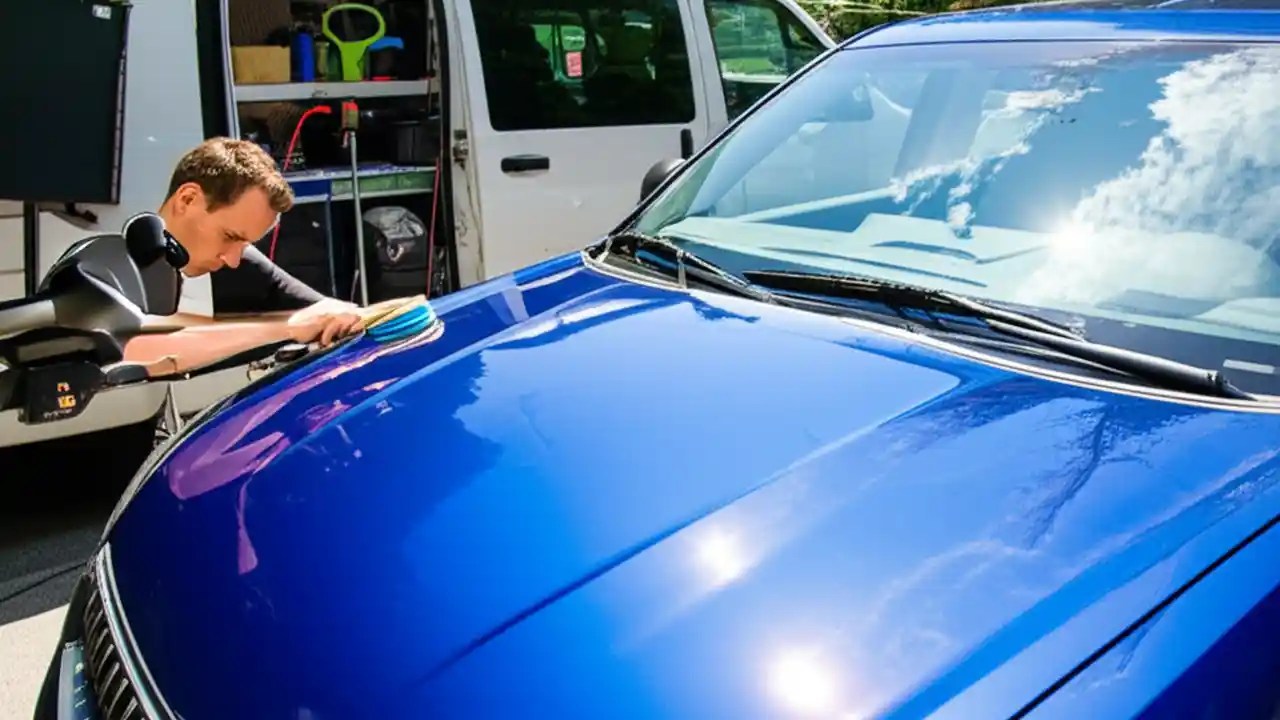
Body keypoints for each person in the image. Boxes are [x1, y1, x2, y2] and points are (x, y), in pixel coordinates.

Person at [123, 137, 364, 375]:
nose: (233, 260)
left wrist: (346, 317)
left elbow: (326, 311)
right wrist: (286, 329)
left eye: (246, 243)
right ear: (188, 199)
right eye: (229, 236)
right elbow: (134, 349)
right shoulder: (106, 264)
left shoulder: (237, 266)